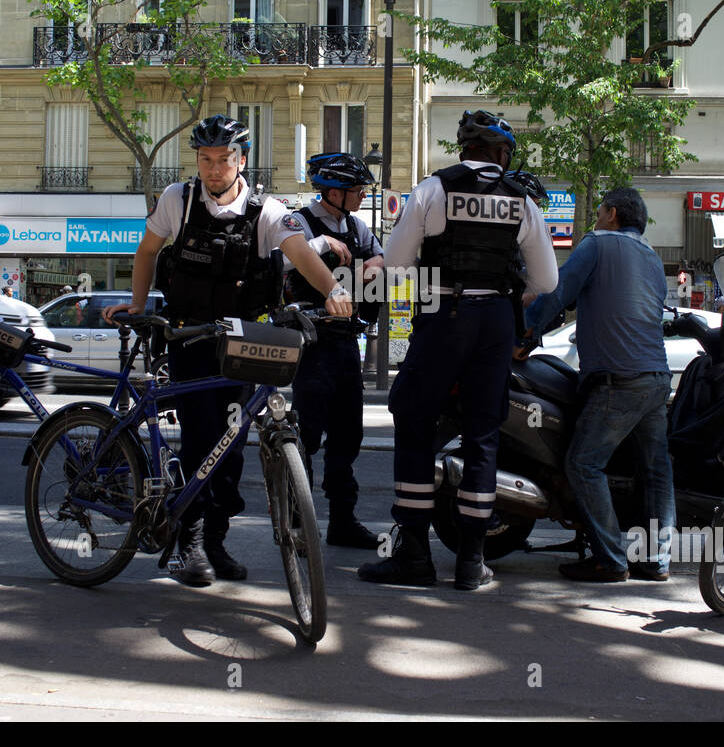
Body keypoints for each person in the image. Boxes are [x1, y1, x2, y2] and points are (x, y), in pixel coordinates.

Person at [102, 114, 353, 587]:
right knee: (201, 437)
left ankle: (215, 538)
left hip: (242, 342)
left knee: (232, 444)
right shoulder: (179, 199)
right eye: (205, 160)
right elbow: (146, 251)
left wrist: (331, 292)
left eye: (223, 160)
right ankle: (190, 542)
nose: (213, 169)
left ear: (242, 161)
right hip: (188, 338)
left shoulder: (268, 211)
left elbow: (300, 251)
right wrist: (138, 303)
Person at [357, 110, 558, 590]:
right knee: (483, 434)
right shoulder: (521, 201)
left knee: (414, 421)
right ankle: (471, 560)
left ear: (463, 149)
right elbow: (548, 280)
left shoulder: (433, 189)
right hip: (495, 325)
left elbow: (401, 262)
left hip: (444, 316)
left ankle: (414, 555)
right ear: (503, 155)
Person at [520, 187, 675, 583]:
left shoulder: (598, 244)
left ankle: (610, 558)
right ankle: (656, 561)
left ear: (611, 213)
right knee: (656, 469)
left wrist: (525, 333)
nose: (597, 217)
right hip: (657, 377)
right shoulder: (653, 258)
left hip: (617, 380)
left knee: (584, 462)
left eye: (601, 209)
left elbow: (557, 292)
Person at [285, 152, 385, 549]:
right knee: (306, 433)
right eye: (355, 190)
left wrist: (376, 265)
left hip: (346, 341)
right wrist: (318, 244)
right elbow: (279, 261)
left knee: (348, 435)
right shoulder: (297, 222)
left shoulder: (357, 227)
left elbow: (378, 256)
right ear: (331, 191)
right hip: (309, 343)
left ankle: (342, 520)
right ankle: (298, 520)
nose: (361, 196)